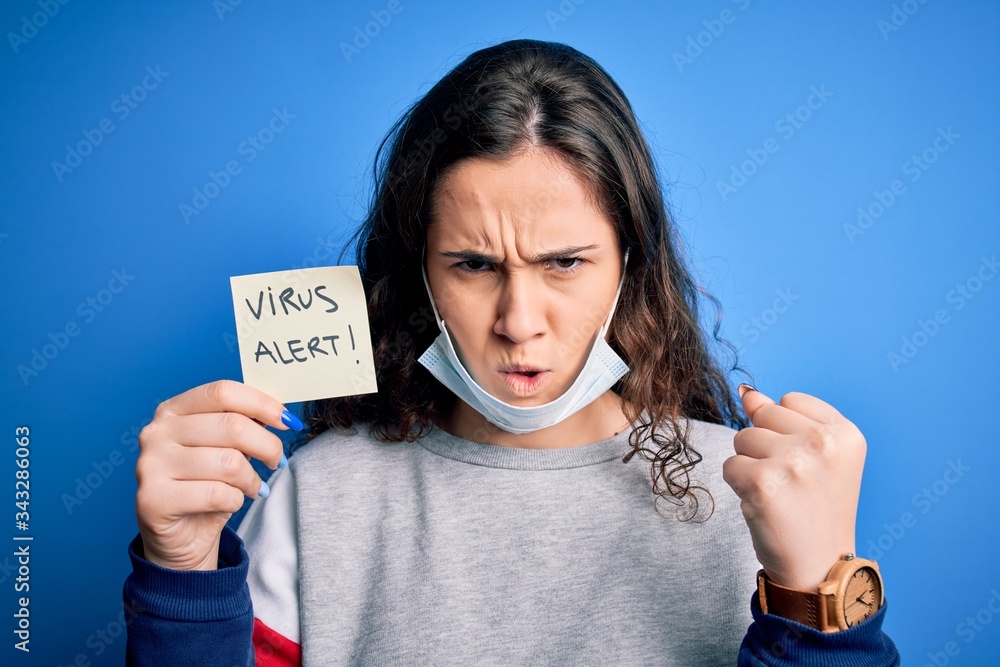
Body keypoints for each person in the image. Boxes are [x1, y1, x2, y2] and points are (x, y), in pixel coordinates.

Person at [123, 39, 900, 665]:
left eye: (564, 262)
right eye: (474, 265)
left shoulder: (753, 497)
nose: (518, 321)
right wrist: (184, 575)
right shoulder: (309, 499)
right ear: (418, 271)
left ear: (630, 261)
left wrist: (820, 600)